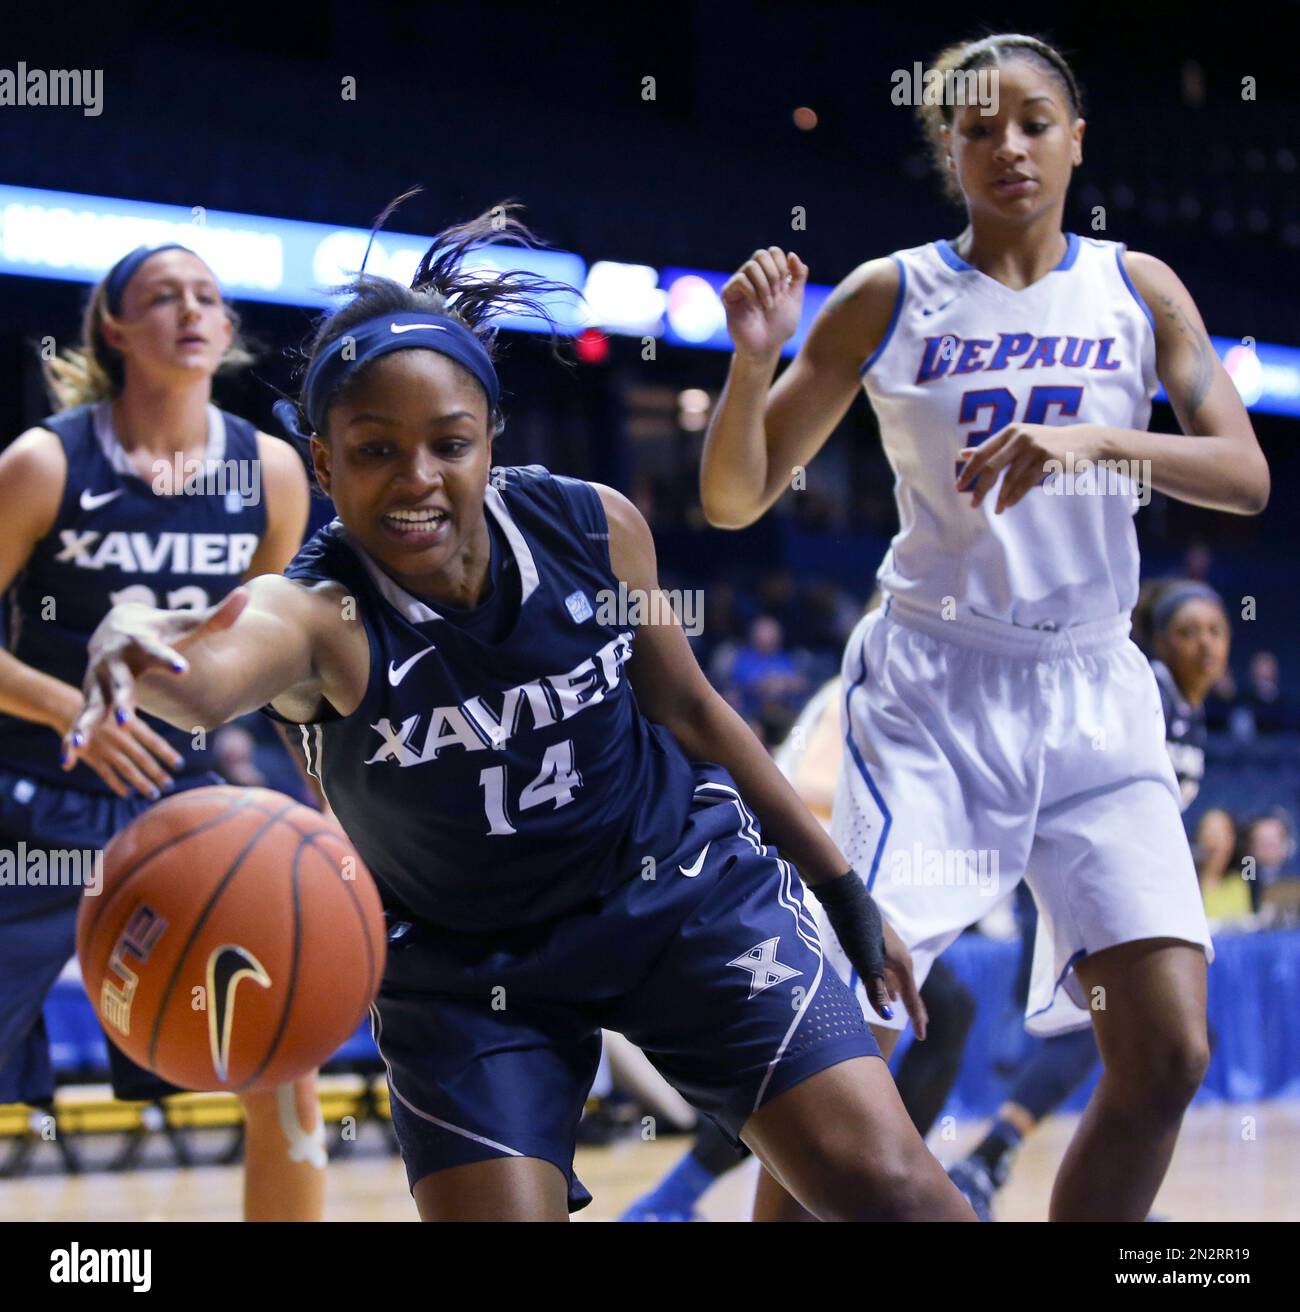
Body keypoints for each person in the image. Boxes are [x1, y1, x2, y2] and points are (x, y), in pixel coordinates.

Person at [66, 206, 974, 1222]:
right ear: (323, 465)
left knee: (899, 1195)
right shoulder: (317, 614)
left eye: (448, 443)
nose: (417, 480)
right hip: (459, 968)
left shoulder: (596, 527)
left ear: (491, 437)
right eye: (373, 452)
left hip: (675, 897)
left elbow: (694, 713)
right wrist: (135, 625)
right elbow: (203, 669)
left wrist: (843, 891)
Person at [699, 32, 1269, 1221]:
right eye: (974, 127)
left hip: (1093, 686)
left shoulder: (1137, 287)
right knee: (842, 1050)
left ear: (1074, 139)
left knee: (1165, 1054)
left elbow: (1242, 474)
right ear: (946, 147)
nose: (1005, 145)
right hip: (932, 692)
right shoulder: (889, 293)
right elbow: (736, 494)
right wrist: (752, 367)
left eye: (1031, 121)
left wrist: (1099, 439)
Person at [0, 243, 320, 1220]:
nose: (190, 309)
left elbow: (280, 657)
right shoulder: (44, 461)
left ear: (225, 330)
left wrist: (322, 811)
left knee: (282, 1044)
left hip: (176, 807)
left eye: (208, 297)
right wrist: (72, 709)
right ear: (115, 328)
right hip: (27, 796)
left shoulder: (269, 473)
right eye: (162, 296)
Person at [620, 671, 975, 1222]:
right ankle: (676, 1198)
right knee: (796, 1074)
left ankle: (886, 1182)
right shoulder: (866, 692)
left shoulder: (927, 694)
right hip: (803, 877)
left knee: (824, 1070)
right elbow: (805, 786)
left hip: (832, 879)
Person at [946, 578, 1234, 1216]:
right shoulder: (1146, 686)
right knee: (1129, 1031)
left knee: (1173, 1039)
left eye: (1216, 631)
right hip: (1073, 869)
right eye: (1189, 632)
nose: (1206, 645)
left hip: (1113, 877)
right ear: (1160, 640)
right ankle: (991, 1157)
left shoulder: (1190, 715)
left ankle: (1106, 1188)